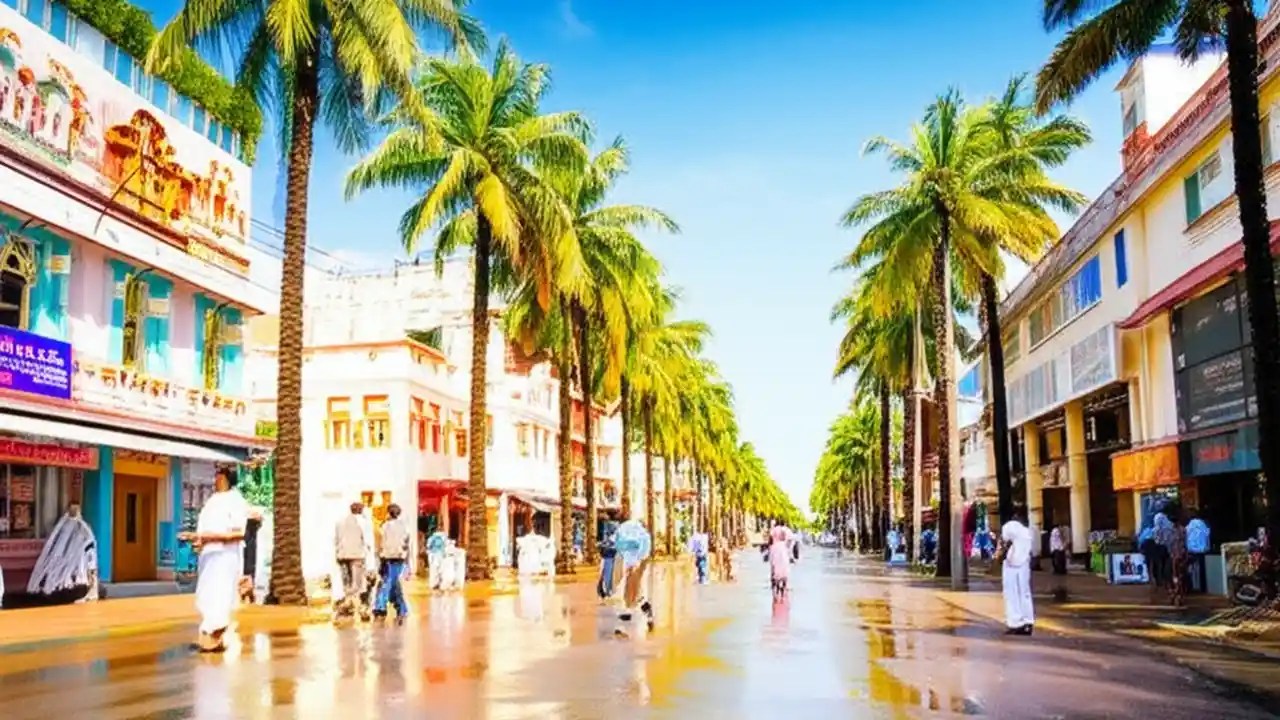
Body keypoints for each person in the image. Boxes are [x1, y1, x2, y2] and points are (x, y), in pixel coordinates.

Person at [183, 466, 251, 652]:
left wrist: (208, 538)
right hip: (208, 557)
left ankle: (214, 638)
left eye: (220, 478)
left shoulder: (236, 501)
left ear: (229, 480)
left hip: (225, 556)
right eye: (216, 478)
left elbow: (238, 533)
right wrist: (198, 540)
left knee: (221, 596)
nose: (216, 481)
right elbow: (203, 528)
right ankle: (213, 639)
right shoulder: (212, 501)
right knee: (207, 595)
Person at [613, 517, 654, 636]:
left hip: (636, 569)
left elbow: (643, 558)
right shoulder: (634, 540)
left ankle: (622, 627)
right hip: (632, 568)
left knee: (630, 598)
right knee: (636, 597)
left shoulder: (644, 541)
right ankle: (648, 615)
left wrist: (637, 569)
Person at [373, 503, 411, 624]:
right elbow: (407, 544)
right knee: (393, 583)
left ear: (389, 513)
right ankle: (401, 609)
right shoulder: (404, 526)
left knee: (387, 583)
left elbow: (381, 543)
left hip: (388, 558)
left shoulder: (385, 527)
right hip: (399, 558)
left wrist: (379, 556)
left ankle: (381, 608)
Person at [1000, 507, 1035, 636]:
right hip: (1023, 564)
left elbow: (1004, 539)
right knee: (1024, 593)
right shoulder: (1027, 533)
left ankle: (1015, 622)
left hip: (1012, 566)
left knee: (1012, 594)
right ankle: (1027, 622)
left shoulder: (1010, 527)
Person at [334, 502, 370, 618]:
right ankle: (348, 604)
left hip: (342, 555)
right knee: (357, 584)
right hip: (357, 556)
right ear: (360, 510)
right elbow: (367, 540)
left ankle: (348, 604)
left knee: (347, 582)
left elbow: (336, 539)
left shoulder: (340, 521)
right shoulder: (363, 522)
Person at [1186, 511, 1211, 594]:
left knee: (1191, 570)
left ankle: (1192, 587)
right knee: (1202, 570)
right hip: (1202, 550)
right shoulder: (1203, 524)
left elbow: (1186, 536)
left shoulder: (1189, 526)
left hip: (1191, 550)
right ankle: (1203, 588)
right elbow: (1207, 535)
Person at [768, 522, 793, 599]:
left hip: (774, 549)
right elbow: (788, 540)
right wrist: (789, 551)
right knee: (784, 566)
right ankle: (783, 587)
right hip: (783, 549)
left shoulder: (773, 530)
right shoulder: (785, 530)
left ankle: (775, 587)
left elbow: (770, 539)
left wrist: (769, 547)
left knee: (774, 566)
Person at [598, 521, 620, 600]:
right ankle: (607, 591)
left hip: (610, 559)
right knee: (607, 575)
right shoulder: (611, 538)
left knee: (608, 575)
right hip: (608, 559)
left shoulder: (612, 538)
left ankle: (608, 591)